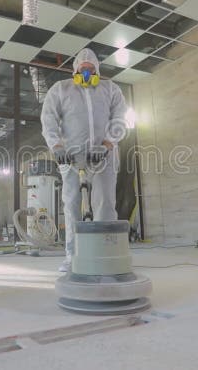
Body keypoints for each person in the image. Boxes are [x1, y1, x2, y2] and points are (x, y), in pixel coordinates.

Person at [40, 48, 127, 272]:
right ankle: (72, 255)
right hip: (71, 157)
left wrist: (107, 144)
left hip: (103, 155)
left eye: (91, 69)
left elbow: (119, 119)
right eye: (82, 69)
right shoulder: (61, 89)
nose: (86, 73)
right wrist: (57, 146)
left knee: (105, 203)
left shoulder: (110, 89)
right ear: (75, 70)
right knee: (71, 205)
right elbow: (48, 118)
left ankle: (104, 253)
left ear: (97, 70)